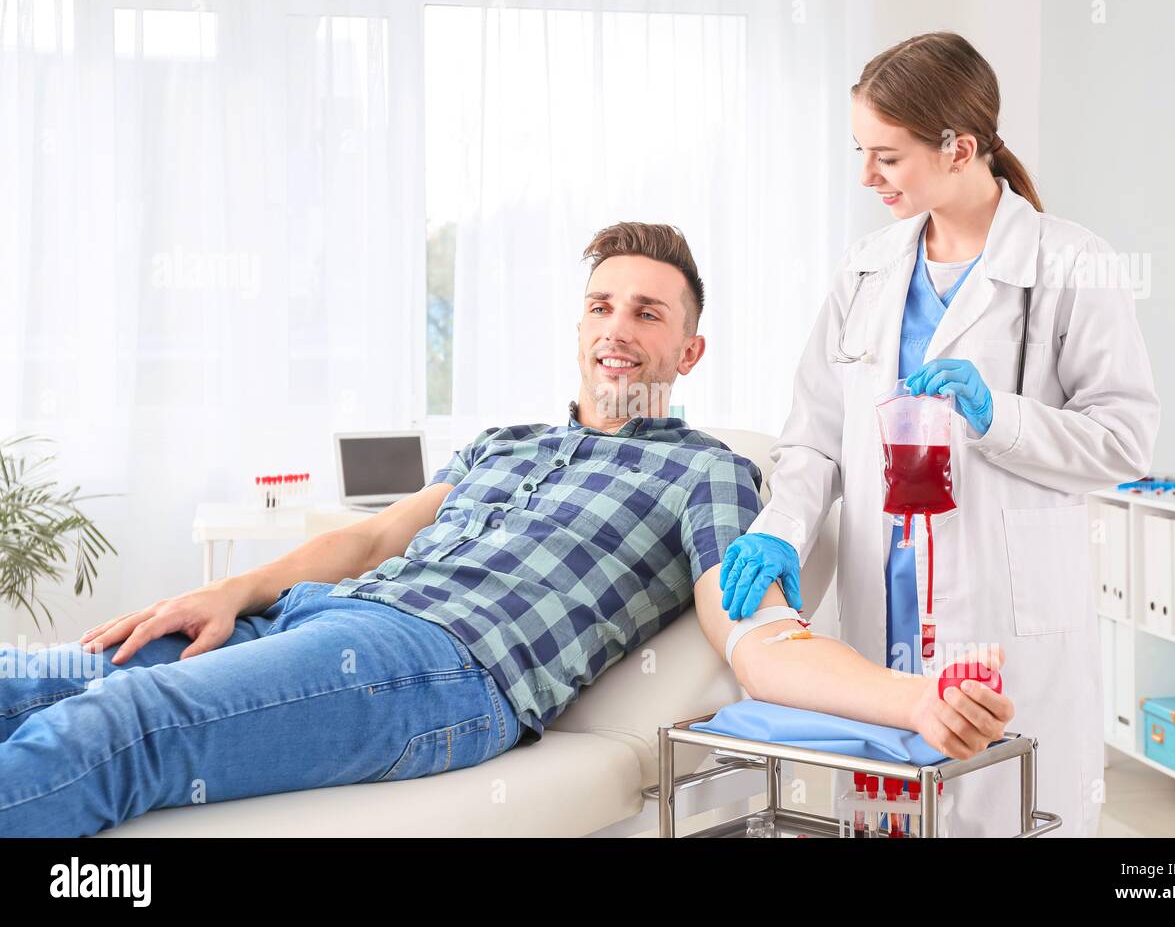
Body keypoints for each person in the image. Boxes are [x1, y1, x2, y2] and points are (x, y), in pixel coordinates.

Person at [0, 221, 1011, 837]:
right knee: (29, 680)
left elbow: (760, 638)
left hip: (438, 669)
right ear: (577, 326)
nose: (618, 326)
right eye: (601, 304)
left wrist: (914, 700)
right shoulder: (505, 440)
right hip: (320, 618)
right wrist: (229, 589)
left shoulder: (706, 471)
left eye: (649, 313)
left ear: (690, 348)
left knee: (111, 731)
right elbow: (366, 540)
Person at [719, 32, 1160, 837]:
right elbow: (814, 434)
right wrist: (778, 528)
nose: (866, 176)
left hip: (1005, 615)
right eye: (860, 151)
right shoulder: (865, 269)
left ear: (958, 147)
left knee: (1010, 811)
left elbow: (1126, 439)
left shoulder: (1069, 264)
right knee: (886, 817)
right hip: (880, 608)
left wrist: (1002, 417)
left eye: (885, 156)